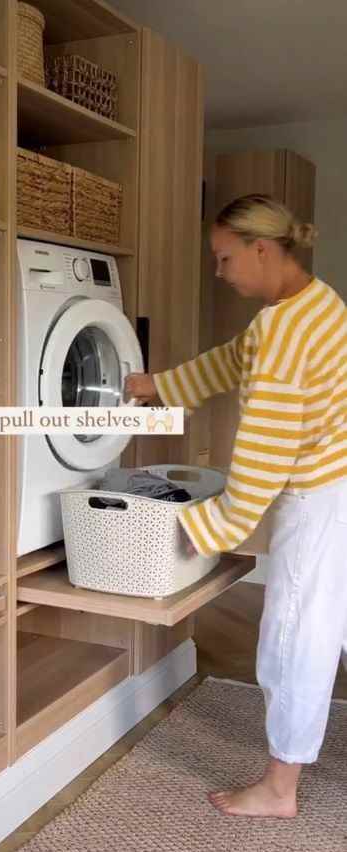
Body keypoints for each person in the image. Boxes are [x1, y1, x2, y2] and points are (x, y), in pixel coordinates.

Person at [124, 193, 347, 819]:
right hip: (341, 481)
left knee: (296, 635)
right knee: (329, 622)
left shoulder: (284, 331)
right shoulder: (312, 302)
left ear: (261, 248)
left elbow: (265, 450)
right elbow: (232, 361)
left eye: (224, 259)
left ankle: (279, 790)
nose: (220, 273)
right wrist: (161, 384)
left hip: (322, 497)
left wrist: (216, 525)